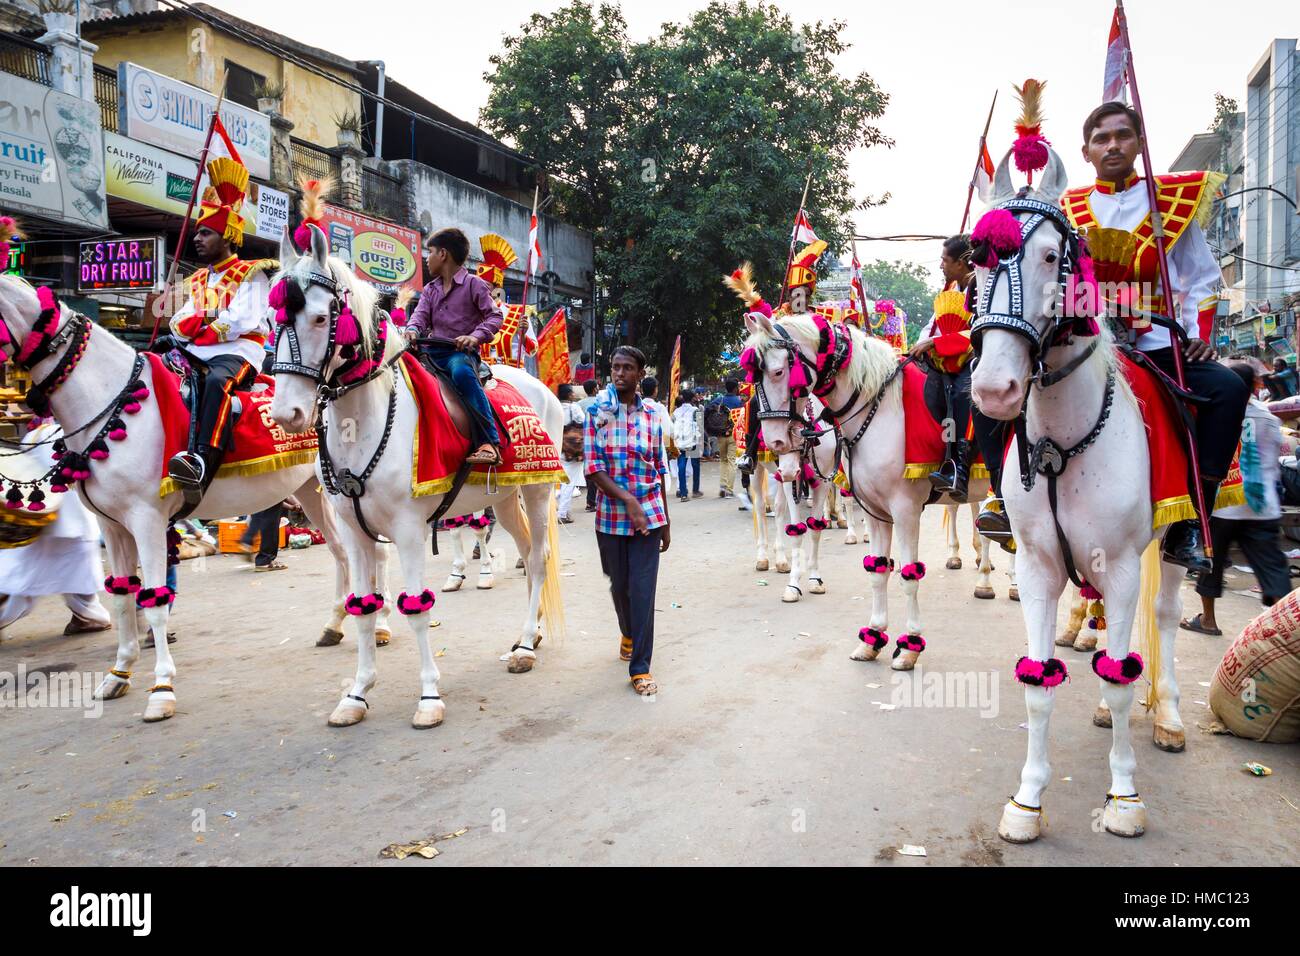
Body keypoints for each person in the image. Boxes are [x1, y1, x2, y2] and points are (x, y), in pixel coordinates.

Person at [1051, 100, 1250, 572]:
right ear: (1086, 151)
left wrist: (1198, 334)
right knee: (1004, 387)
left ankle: (1190, 516)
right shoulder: (1066, 209)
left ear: (1139, 143)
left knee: (1229, 389)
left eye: (1122, 135)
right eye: (1102, 138)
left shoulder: (1171, 202)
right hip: (1084, 339)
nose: (1113, 145)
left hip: (1156, 343)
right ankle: (1004, 495)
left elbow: (1200, 279)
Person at [155, 153, 278, 491]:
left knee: (216, 384)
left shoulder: (252, 273)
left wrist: (200, 324)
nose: (197, 239)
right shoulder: (196, 280)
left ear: (227, 237)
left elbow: (240, 321)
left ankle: (202, 460)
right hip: (196, 352)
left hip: (238, 356)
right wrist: (200, 322)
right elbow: (178, 322)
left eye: (206, 233)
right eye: (196, 233)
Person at [584, 346, 670, 696]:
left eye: (627, 368)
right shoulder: (597, 412)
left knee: (643, 591)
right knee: (619, 586)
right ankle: (628, 632)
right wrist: (628, 501)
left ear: (639, 374)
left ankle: (641, 667)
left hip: (649, 515)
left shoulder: (652, 414)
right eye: (615, 367)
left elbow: (659, 467)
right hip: (610, 518)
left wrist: (665, 520)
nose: (619, 373)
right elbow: (593, 468)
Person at [1181, 362, 1292, 635]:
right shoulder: (1269, 417)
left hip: (1225, 504)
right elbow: (1276, 454)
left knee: (1211, 563)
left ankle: (1208, 620)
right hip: (1262, 504)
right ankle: (1285, 629)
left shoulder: (1218, 409)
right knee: (1273, 568)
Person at [910, 235, 1003, 504]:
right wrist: (920, 345)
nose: (941, 265)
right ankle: (936, 457)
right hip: (944, 361)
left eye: (944, 260)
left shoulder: (984, 287)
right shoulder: (950, 289)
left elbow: (979, 328)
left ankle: (960, 467)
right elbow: (934, 324)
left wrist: (935, 342)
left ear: (963, 263)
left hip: (978, 356)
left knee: (965, 395)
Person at [0, 420, 110, 638]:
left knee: (20, 578)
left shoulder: (35, 436)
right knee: (73, 576)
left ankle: (90, 617)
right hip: (76, 521)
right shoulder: (75, 429)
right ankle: (90, 617)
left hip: (42, 520)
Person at [405, 228, 504, 465]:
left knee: (461, 372)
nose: (426, 258)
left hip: (458, 355)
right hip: (429, 354)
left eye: (429, 252)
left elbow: (495, 316)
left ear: (443, 254)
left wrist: (475, 336)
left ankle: (489, 443)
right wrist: (411, 330)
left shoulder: (475, 285)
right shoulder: (430, 290)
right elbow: (419, 317)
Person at [474, 233, 538, 367]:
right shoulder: (472, 314)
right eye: (478, 286)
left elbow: (532, 351)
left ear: (496, 287)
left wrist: (523, 335)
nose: (481, 290)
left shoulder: (517, 313)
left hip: (513, 374)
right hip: (483, 374)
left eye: (486, 285)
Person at [556, 383, 586, 523]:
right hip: (572, 448)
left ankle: (563, 510)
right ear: (569, 394)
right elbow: (582, 421)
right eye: (572, 392)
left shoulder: (555, 406)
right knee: (569, 482)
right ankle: (562, 514)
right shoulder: (574, 407)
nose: (574, 394)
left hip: (559, 446)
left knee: (564, 481)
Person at [711, 379, 746, 497]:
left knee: (723, 460)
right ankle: (729, 490)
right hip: (734, 434)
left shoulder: (718, 400)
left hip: (720, 434)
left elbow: (707, 410)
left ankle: (722, 485)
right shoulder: (740, 401)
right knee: (732, 461)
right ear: (736, 388)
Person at [672, 388, 705, 501]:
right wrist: (701, 444)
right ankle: (695, 490)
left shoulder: (676, 411)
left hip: (680, 442)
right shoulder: (696, 410)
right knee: (695, 466)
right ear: (692, 398)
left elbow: (672, 426)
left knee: (681, 466)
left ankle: (683, 493)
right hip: (693, 441)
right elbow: (700, 427)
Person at [579, 379, 601, 512]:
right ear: (594, 389)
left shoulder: (579, 404)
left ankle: (590, 502)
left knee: (589, 470)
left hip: (582, 440)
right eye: (597, 387)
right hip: (597, 441)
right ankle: (594, 501)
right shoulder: (600, 403)